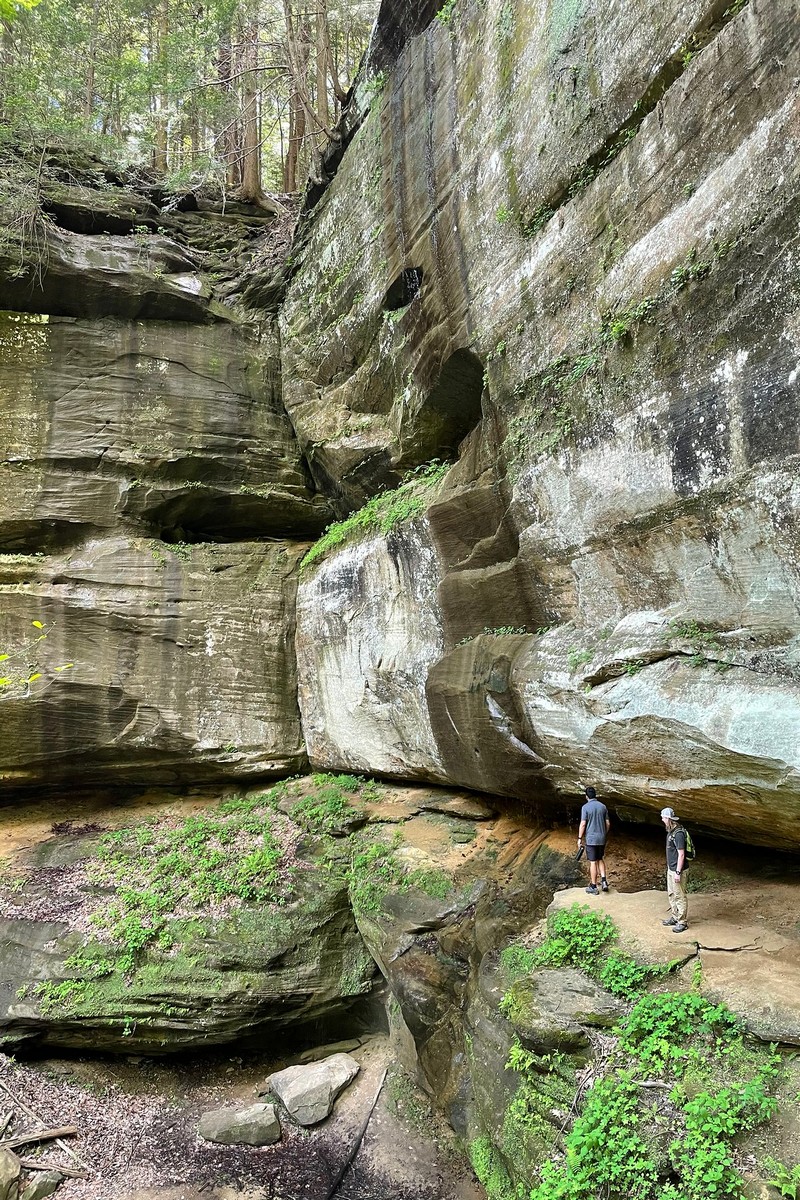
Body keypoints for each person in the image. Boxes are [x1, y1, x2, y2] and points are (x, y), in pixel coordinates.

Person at [577, 787, 611, 895]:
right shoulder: (603, 806)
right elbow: (608, 823)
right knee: (600, 858)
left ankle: (593, 886)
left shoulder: (585, 807)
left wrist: (579, 838)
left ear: (586, 796)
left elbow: (583, 824)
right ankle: (604, 881)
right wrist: (604, 833)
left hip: (591, 839)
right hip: (601, 838)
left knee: (592, 862)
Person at [661, 807, 689, 933]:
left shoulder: (678, 834)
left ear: (668, 818)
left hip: (678, 870)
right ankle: (675, 916)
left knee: (680, 895)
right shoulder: (670, 831)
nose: (662, 820)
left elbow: (681, 854)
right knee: (672, 894)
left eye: (663, 818)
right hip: (671, 869)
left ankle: (682, 922)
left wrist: (678, 872)